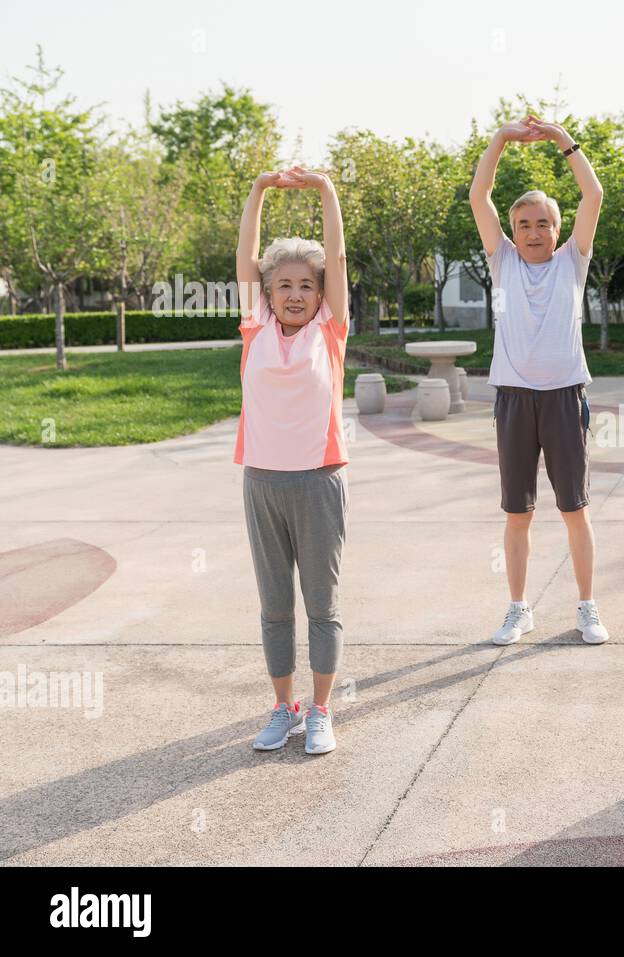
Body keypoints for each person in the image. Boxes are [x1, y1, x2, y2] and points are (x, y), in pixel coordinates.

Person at [468, 114, 610, 647]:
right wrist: (501, 139)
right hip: (513, 400)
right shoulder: (502, 259)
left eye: (542, 224)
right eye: (523, 224)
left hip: (564, 399)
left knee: (575, 509)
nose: (532, 232)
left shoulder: (572, 261)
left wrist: (560, 139)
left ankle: (587, 607)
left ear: (557, 230)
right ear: (512, 231)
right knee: (517, 513)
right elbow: (479, 195)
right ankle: (518, 608)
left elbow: (592, 194)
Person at [235, 166, 350, 755]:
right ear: (268, 294)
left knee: (321, 605)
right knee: (275, 606)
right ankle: (284, 707)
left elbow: (336, 252)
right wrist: (259, 190)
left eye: (307, 285)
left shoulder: (329, 331)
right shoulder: (255, 327)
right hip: (262, 481)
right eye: (284, 285)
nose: (297, 294)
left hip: (318, 480)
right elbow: (245, 256)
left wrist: (325, 191)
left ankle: (322, 710)